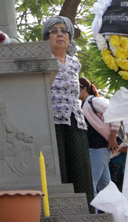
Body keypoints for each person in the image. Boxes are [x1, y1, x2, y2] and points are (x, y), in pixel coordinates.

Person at [43, 16, 95, 209]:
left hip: (75, 120)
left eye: (63, 31)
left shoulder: (75, 64)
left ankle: (84, 209)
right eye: (54, 31)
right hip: (52, 121)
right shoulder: (43, 61)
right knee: (59, 165)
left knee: (80, 164)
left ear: (70, 37)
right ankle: (61, 208)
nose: (59, 34)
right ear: (47, 37)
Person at [79, 77, 119, 197]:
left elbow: (115, 114)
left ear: (84, 88)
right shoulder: (84, 104)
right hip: (96, 147)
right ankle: (116, 207)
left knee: (90, 183)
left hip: (99, 147)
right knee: (105, 186)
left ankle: (92, 208)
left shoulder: (93, 101)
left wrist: (112, 137)